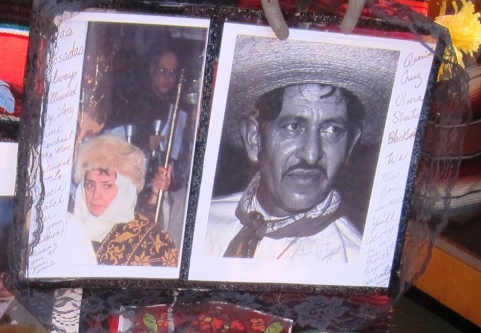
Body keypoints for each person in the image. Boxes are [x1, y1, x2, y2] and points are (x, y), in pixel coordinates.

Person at [205, 35, 399, 262]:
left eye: (332, 130)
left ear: (350, 146)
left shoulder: (352, 261)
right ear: (254, 138)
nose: (311, 154)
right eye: (293, 127)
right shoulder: (203, 225)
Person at [105, 45, 192, 241]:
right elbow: (117, 148)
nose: (167, 78)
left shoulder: (180, 107)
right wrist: (145, 146)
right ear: (152, 70)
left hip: (165, 186)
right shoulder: (133, 102)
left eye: (172, 72)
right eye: (162, 70)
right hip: (137, 190)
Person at [64, 134, 178, 267]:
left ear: (125, 189)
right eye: (90, 185)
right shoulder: (66, 231)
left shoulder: (154, 240)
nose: (95, 195)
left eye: (107, 186)